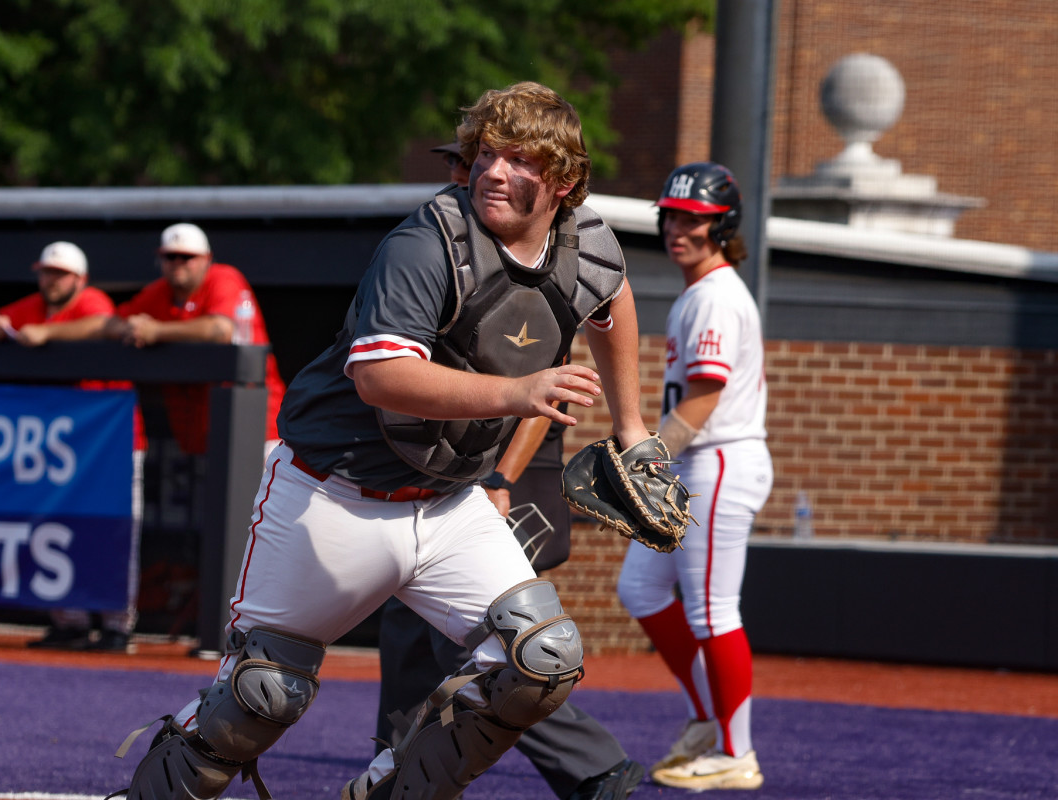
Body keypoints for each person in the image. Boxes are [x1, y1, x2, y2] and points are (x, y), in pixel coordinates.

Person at [109, 81, 655, 800]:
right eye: (486, 153)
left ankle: (393, 791)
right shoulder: (425, 242)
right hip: (333, 495)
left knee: (542, 658)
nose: (493, 170)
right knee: (261, 696)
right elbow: (381, 376)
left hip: (447, 502)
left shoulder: (587, 243)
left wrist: (634, 429)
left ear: (564, 180)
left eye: (519, 158)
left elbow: (611, 299)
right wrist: (518, 393)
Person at [371, 142, 643, 800]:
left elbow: (544, 391)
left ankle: (594, 767)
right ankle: (395, 768)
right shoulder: (442, 244)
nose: (465, 175)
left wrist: (501, 480)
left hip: (508, 475)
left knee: (479, 636)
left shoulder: (545, 257)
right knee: (410, 623)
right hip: (443, 475)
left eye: (472, 164)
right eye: (464, 162)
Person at [615, 161, 772, 791]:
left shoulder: (714, 295)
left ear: (723, 226)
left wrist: (643, 461)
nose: (680, 229)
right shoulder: (701, 290)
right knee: (641, 589)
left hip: (719, 459)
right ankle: (708, 718)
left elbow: (705, 398)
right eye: (674, 217)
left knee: (712, 609)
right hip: (695, 461)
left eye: (697, 221)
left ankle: (737, 751)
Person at [0, 241, 146, 651]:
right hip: (62, 445)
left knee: (114, 531)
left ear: (79, 278)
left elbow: (105, 324)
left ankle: (116, 625)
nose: (51, 279)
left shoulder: (92, 300)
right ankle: (70, 622)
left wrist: (46, 334)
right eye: (46, 271)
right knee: (61, 528)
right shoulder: (34, 304)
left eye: (60, 273)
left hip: (113, 441)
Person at [103, 222, 285, 457]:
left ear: (207, 258)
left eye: (187, 256)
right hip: (198, 429)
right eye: (171, 256)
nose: (178, 262)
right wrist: (132, 328)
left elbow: (221, 330)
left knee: (251, 493)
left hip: (253, 423)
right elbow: (110, 323)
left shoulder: (224, 278)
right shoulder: (159, 292)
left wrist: (157, 331)